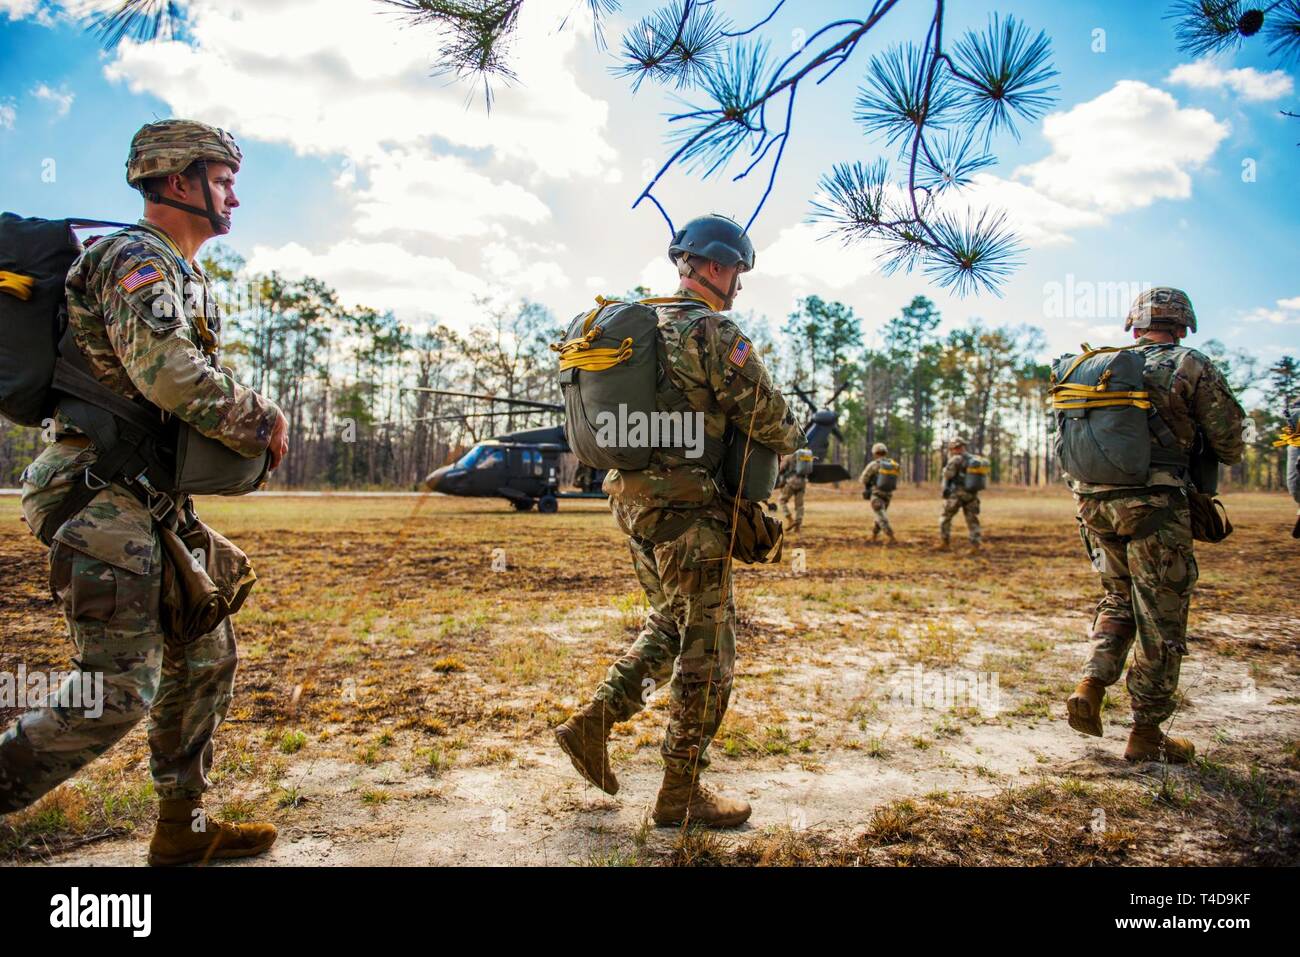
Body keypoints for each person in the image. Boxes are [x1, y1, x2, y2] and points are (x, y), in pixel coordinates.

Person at [0, 120, 289, 864]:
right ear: (176, 179)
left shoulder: (181, 273)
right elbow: (172, 377)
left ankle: (181, 830)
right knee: (118, 690)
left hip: (149, 503)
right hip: (101, 500)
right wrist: (263, 418)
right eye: (222, 178)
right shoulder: (134, 259)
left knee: (207, 653)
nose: (234, 194)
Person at [554, 214, 803, 828]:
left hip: (634, 503)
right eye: (737, 271)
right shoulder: (714, 333)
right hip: (691, 513)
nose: (739, 284)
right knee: (709, 654)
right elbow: (773, 421)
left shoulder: (638, 328)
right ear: (715, 267)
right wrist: (790, 432)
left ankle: (594, 724)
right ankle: (681, 791)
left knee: (670, 625)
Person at [1065, 287, 1244, 763]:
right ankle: (1146, 734)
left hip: (1094, 505)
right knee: (1161, 619)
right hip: (1155, 509)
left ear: (1134, 325)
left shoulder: (1101, 366)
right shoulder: (1189, 364)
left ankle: (1091, 683)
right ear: (1184, 324)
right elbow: (1229, 439)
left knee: (1119, 598)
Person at [938, 436, 981, 550]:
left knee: (945, 518)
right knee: (972, 521)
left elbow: (948, 475)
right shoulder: (974, 459)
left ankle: (945, 543)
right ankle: (975, 546)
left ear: (954, 448)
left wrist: (944, 470)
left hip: (957, 494)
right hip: (972, 495)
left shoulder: (955, 459)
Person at [860, 442, 896, 544]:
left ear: (875, 453)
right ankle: (874, 536)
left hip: (877, 494)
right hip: (888, 495)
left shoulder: (874, 465)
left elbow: (863, 479)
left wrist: (868, 487)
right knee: (879, 515)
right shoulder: (892, 465)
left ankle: (891, 537)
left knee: (881, 516)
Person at [775, 452, 807, 532]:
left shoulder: (789, 456)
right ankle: (798, 527)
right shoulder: (804, 455)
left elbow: (781, 469)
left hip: (792, 481)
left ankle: (790, 519)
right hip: (803, 482)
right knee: (799, 505)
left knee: (782, 500)